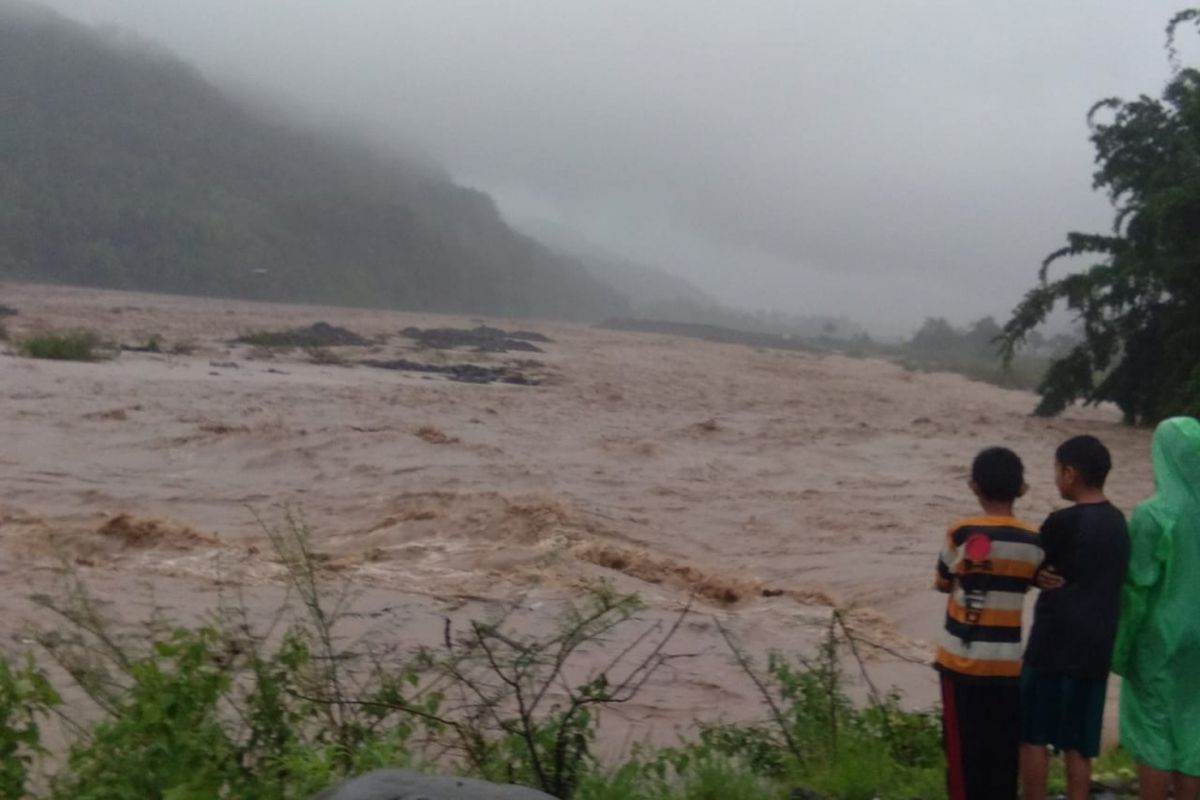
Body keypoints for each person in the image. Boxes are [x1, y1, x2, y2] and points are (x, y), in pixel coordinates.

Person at [1020, 435, 1130, 800]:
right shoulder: (1118, 524)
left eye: (1056, 470)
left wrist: (1036, 577)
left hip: (1052, 643)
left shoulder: (1060, 522)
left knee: (1032, 734)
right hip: (1096, 647)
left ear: (1069, 473)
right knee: (1079, 742)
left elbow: (1028, 567)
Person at [935, 447, 1044, 800]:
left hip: (960, 662)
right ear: (1022, 489)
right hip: (1006, 664)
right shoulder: (1034, 540)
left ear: (974, 486)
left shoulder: (962, 531)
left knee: (963, 752)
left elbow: (942, 582)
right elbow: (1036, 580)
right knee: (1001, 751)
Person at [1112, 417, 1200, 800]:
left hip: (1159, 638)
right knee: (1192, 730)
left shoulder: (1153, 514)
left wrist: (1119, 647)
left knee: (1152, 728)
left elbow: (1136, 589)